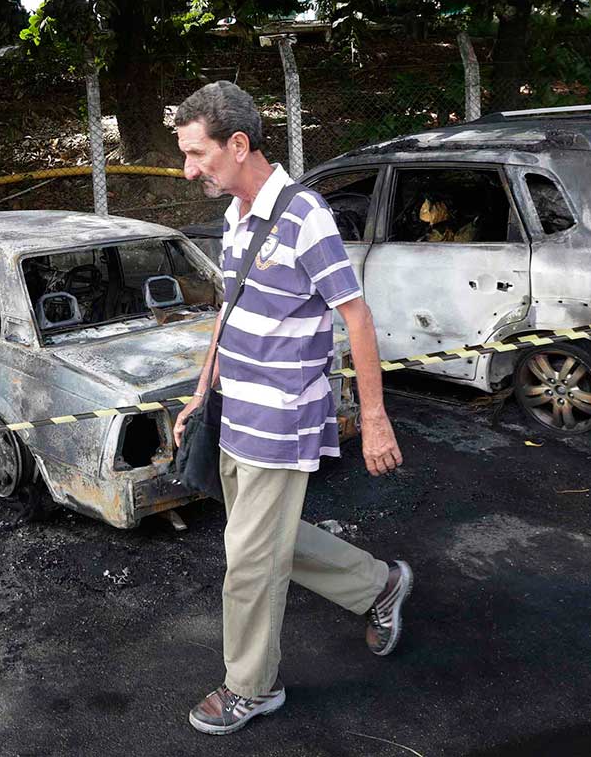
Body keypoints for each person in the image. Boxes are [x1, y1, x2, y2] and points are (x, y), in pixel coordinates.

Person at [173, 81, 413, 736]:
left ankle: (250, 687)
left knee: (249, 564)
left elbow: (357, 316)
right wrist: (202, 390)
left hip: (282, 421)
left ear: (239, 144)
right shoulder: (235, 217)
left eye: (199, 154)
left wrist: (374, 419)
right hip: (234, 411)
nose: (189, 169)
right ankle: (379, 586)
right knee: (260, 541)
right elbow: (229, 308)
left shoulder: (306, 219)